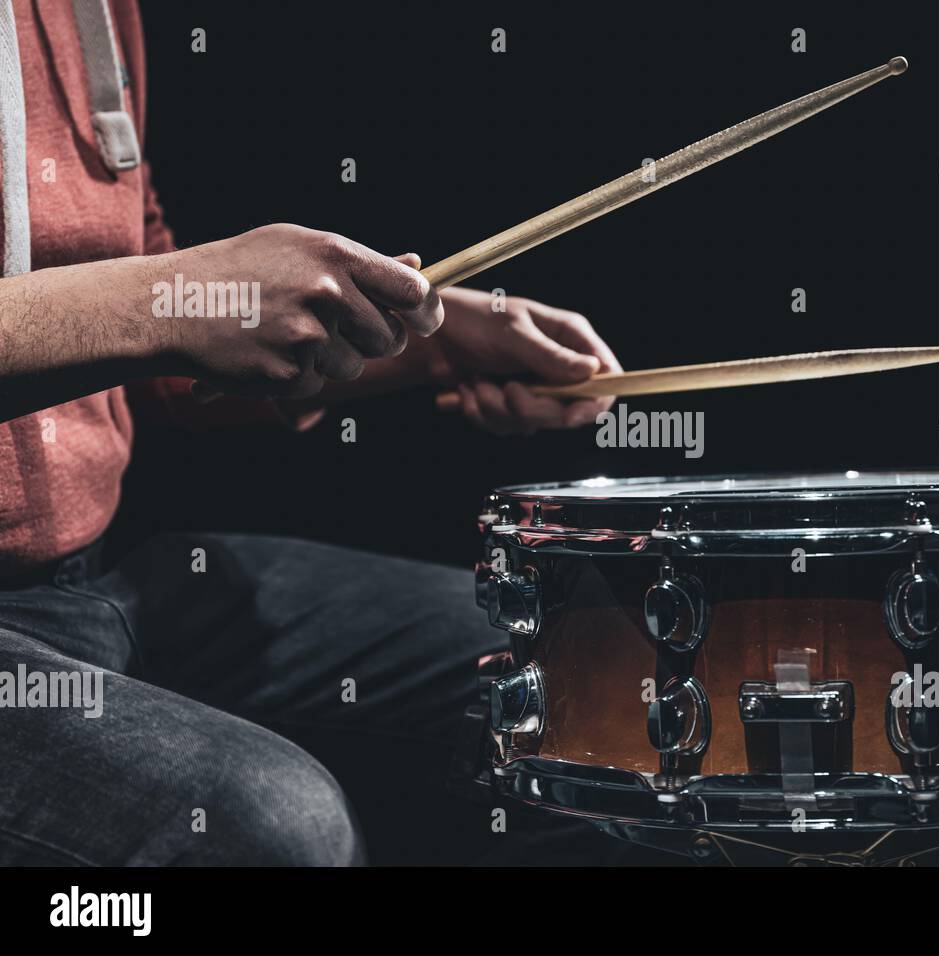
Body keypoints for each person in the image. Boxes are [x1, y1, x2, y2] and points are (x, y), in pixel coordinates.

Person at [0, 0, 625, 864]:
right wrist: (166, 296)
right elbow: (145, 309)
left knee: (584, 677)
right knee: (272, 824)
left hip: (89, 584)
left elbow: (160, 364)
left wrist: (439, 347)